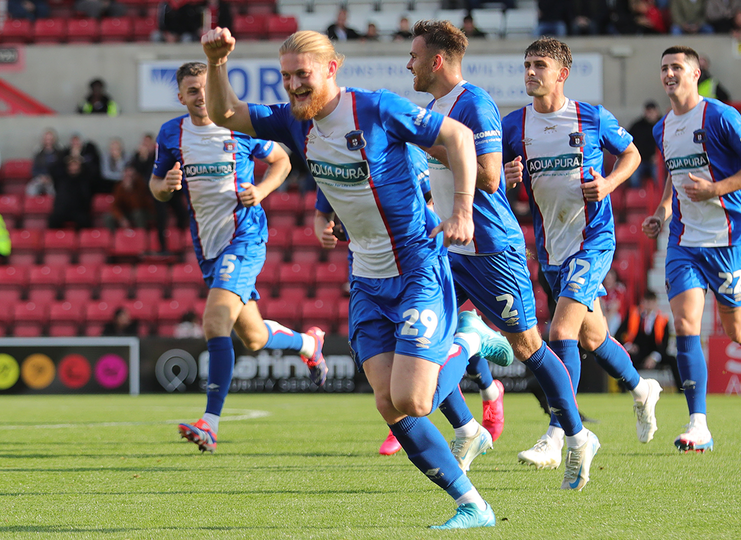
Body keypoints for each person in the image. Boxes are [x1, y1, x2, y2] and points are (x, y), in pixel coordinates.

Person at [201, 28, 512, 528]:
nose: (293, 86)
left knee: (416, 398)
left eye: (302, 74)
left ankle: (471, 340)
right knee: (391, 406)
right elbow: (224, 114)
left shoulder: (376, 108)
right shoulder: (291, 122)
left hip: (416, 266)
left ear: (331, 69)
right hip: (366, 277)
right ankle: (472, 504)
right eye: (285, 77)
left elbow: (457, 137)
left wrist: (462, 211)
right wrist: (216, 63)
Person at [393, 22, 602, 487]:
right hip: (450, 249)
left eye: (414, 55)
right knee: (424, 342)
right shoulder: (433, 109)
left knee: (528, 346)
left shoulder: (474, 104)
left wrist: (433, 143)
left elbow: (488, 176)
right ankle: (468, 428)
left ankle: (576, 435)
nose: (408, 63)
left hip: (490, 249)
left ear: (437, 61)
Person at [150, 62, 330, 458]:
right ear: (181, 97)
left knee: (214, 320)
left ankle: (209, 425)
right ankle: (308, 344)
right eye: (192, 91)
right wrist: (166, 186)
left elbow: (282, 160)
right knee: (252, 337)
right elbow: (156, 186)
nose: (200, 96)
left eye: (205, 88)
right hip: (208, 248)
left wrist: (261, 191)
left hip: (244, 237)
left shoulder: (238, 126)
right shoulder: (172, 134)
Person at [502, 38, 662, 476]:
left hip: (593, 240)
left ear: (562, 74)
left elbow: (632, 153)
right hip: (552, 250)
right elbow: (490, 175)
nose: (531, 72)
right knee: (592, 338)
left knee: (561, 330)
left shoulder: (590, 116)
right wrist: (505, 174)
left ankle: (559, 435)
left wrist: (609, 184)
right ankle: (641, 386)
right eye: (527, 64)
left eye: (540, 65)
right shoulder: (513, 125)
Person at [643, 45, 741, 453]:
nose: (669, 73)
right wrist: (661, 210)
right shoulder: (662, 129)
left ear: (695, 74)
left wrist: (715, 188)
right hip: (683, 242)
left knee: (737, 330)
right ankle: (699, 425)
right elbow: (671, 178)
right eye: (664, 68)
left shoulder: (721, 116)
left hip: (728, 240)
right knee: (686, 325)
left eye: (677, 67)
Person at [48, 155, 93, 229]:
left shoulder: (84, 178)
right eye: (71, 165)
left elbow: (92, 170)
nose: (73, 167)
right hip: (62, 210)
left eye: (76, 165)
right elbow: (52, 168)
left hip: (80, 210)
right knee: (53, 220)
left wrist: (80, 160)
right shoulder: (62, 178)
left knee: (85, 222)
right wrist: (66, 159)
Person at [105, 165, 154, 231]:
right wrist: (121, 219)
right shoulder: (119, 186)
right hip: (127, 212)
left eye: (130, 175)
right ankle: (112, 239)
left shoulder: (141, 184)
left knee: (138, 214)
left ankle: (141, 235)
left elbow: (138, 206)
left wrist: (130, 191)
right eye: (126, 174)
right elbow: (115, 206)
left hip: (144, 212)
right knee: (108, 217)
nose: (128, 177)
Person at [628, 101, 662, 188]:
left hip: (658, 161)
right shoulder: (637, 126)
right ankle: (637, 197)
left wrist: (659, 157)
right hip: (640, 160)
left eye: (652, 112)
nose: (650, 114)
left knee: (659, 174)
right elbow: (628, 143)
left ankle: (660, 196)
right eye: (648, 112)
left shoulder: (663, 124)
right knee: (633, 174)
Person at [27, 128, 62, 197]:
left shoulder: (59, 154)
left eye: (50, 139)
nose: (48, 141)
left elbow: (60, 169)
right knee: (31, 189)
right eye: (47, 139)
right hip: (40, 179)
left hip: (53, 179)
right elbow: (34, 169)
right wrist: (41, 177)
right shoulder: (39, 153)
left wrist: (51, 177)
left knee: (54, 190)